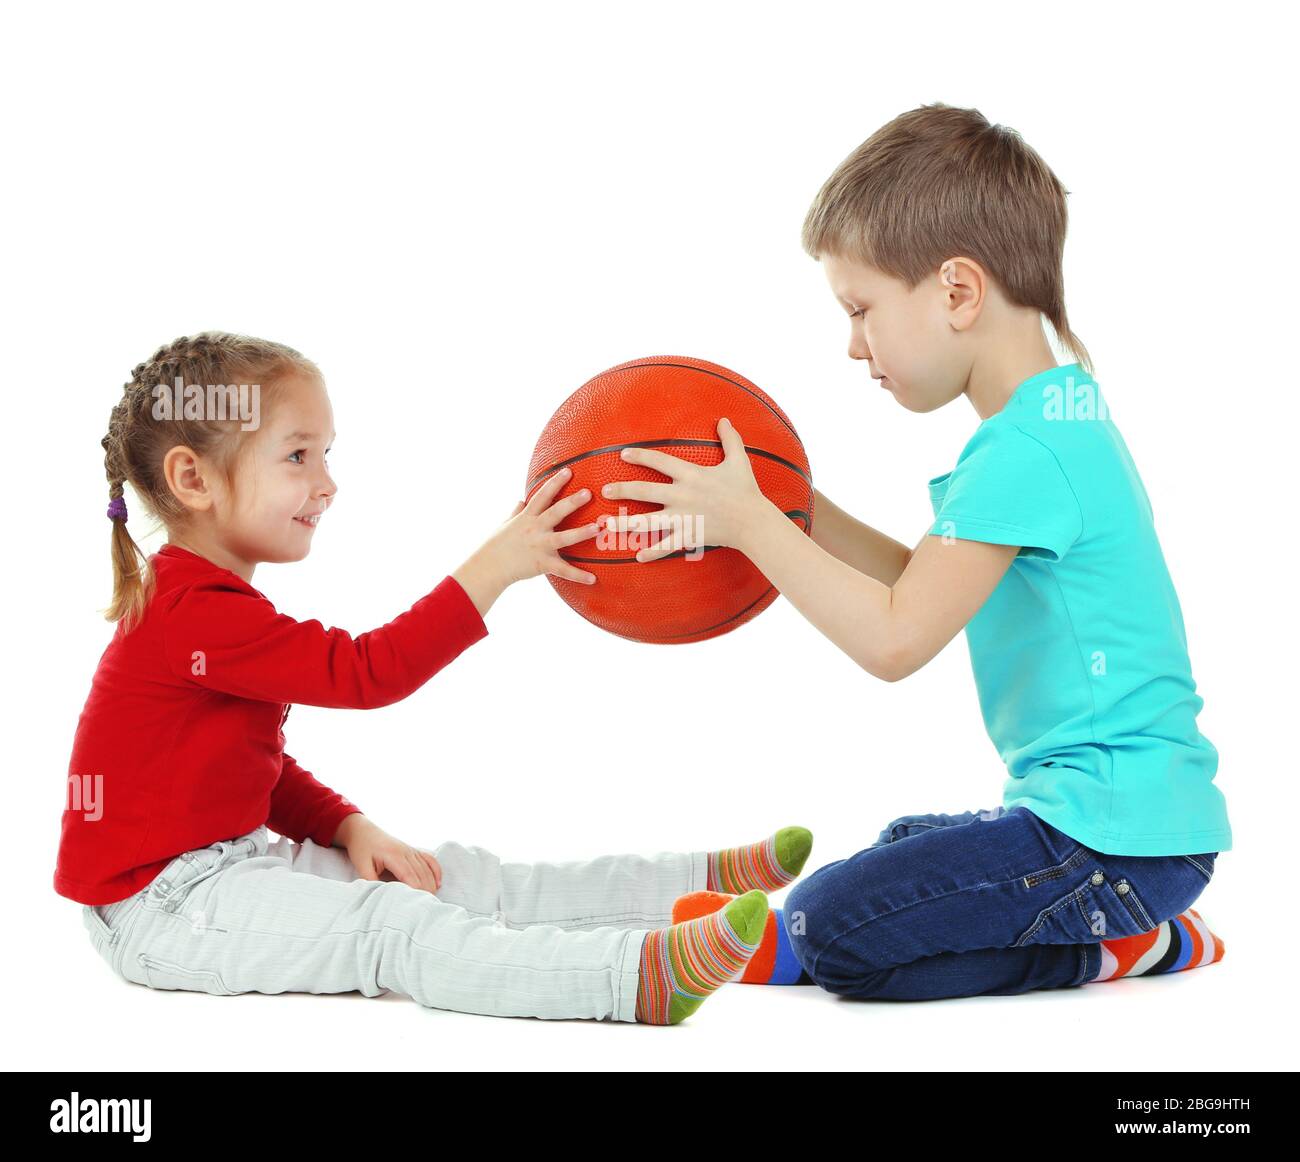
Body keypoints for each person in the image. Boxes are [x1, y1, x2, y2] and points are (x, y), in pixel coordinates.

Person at [605, 103, 1230, 999]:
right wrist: (797, 508)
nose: (853, 345)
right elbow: (921, 585)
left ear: (957, 292)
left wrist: (754, 526)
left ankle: (1122, 946)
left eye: (861, 309)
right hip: (1122, 832)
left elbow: (896, 640)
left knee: (837, 926)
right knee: (906, 844)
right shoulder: (1054, 421)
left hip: (1114, 843)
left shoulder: (1028, 452)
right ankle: (1135, 931)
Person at [56, 331, 815, 1024]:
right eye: (298, 456)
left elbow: (251, 765)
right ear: (193, 479)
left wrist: (347, 825)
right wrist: (499, 563)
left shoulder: (205, 605)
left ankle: (684, 891)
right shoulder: (188, 611)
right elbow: (366, 672)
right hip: (159, 908)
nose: (327, 483)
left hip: (229, 864)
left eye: (326, 454)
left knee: (451, 878)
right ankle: (632, 979)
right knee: (392, 928)